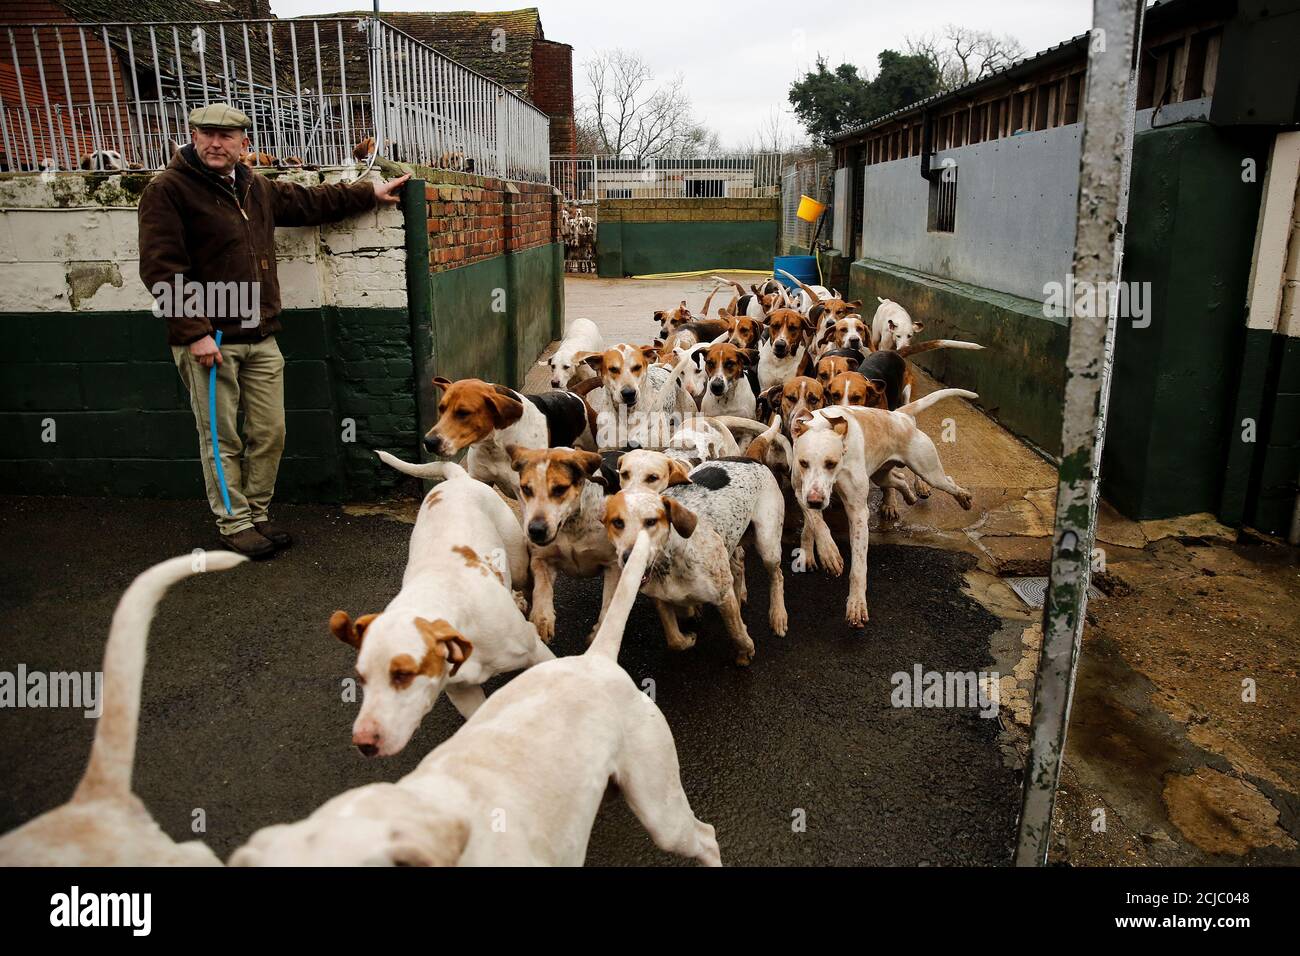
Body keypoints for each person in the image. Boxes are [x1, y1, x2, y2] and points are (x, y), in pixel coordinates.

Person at [138, 103, 409, 558]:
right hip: (211, 338)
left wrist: (369, 193)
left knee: (271, 432)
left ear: (245, 143)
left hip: (261, 332)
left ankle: (257, 514)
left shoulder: (253, 185)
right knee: (221, 438)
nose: (215, 143)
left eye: (226, 136)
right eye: (206, 134)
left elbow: (308, 202)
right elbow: (161, 270)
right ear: (192, 136)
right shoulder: (168, 189)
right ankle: (234, 522)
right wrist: (194, 333)